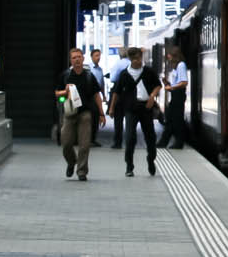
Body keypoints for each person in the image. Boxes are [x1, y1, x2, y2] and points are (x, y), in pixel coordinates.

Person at [109, 47, 162, 177]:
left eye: (139, 58)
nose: (138, 61)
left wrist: (152, 96)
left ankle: (151, 159)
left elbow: (158, 85)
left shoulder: (148, 72)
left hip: (146, 108)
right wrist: (111, 108)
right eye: (135, 59)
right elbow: (116, 91)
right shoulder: (124, 74)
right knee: (130, 137)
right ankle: (129, 165)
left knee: (150, 137)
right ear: (130, 59)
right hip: (130, 109)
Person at [57, 48, 105, 181]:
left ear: (83, 59)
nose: (77, 60)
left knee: (84, 144)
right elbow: (57, 93)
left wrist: (101, 113)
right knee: (66, 143)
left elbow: (97, 95)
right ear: (71, 61)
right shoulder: (65, 76)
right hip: (70, 113)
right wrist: (64, 92)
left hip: (85, 113)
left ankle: (82, 171)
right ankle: (72, 162)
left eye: (79, 57)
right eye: (74, 58)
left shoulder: (89, 76)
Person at [157, 47, 190, 150]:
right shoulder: (178, 66)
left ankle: (176, 142)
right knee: (171, 119)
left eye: (169, 55)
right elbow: (178, 83)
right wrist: (168, 84)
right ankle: (165, 142)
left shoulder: (181, 65)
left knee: (176, 120)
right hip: (176, 94)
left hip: (179, 95)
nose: (168, 57)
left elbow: (184, 82)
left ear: (174, 55)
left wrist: (171, 87)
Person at [108, 49, 132, 148]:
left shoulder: (117, 64)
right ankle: (130, 141)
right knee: (130, 119)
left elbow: (113, 78)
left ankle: (118, 142)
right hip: (130, 93)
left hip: (119, 92)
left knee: (118, 119)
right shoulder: (131, 63)